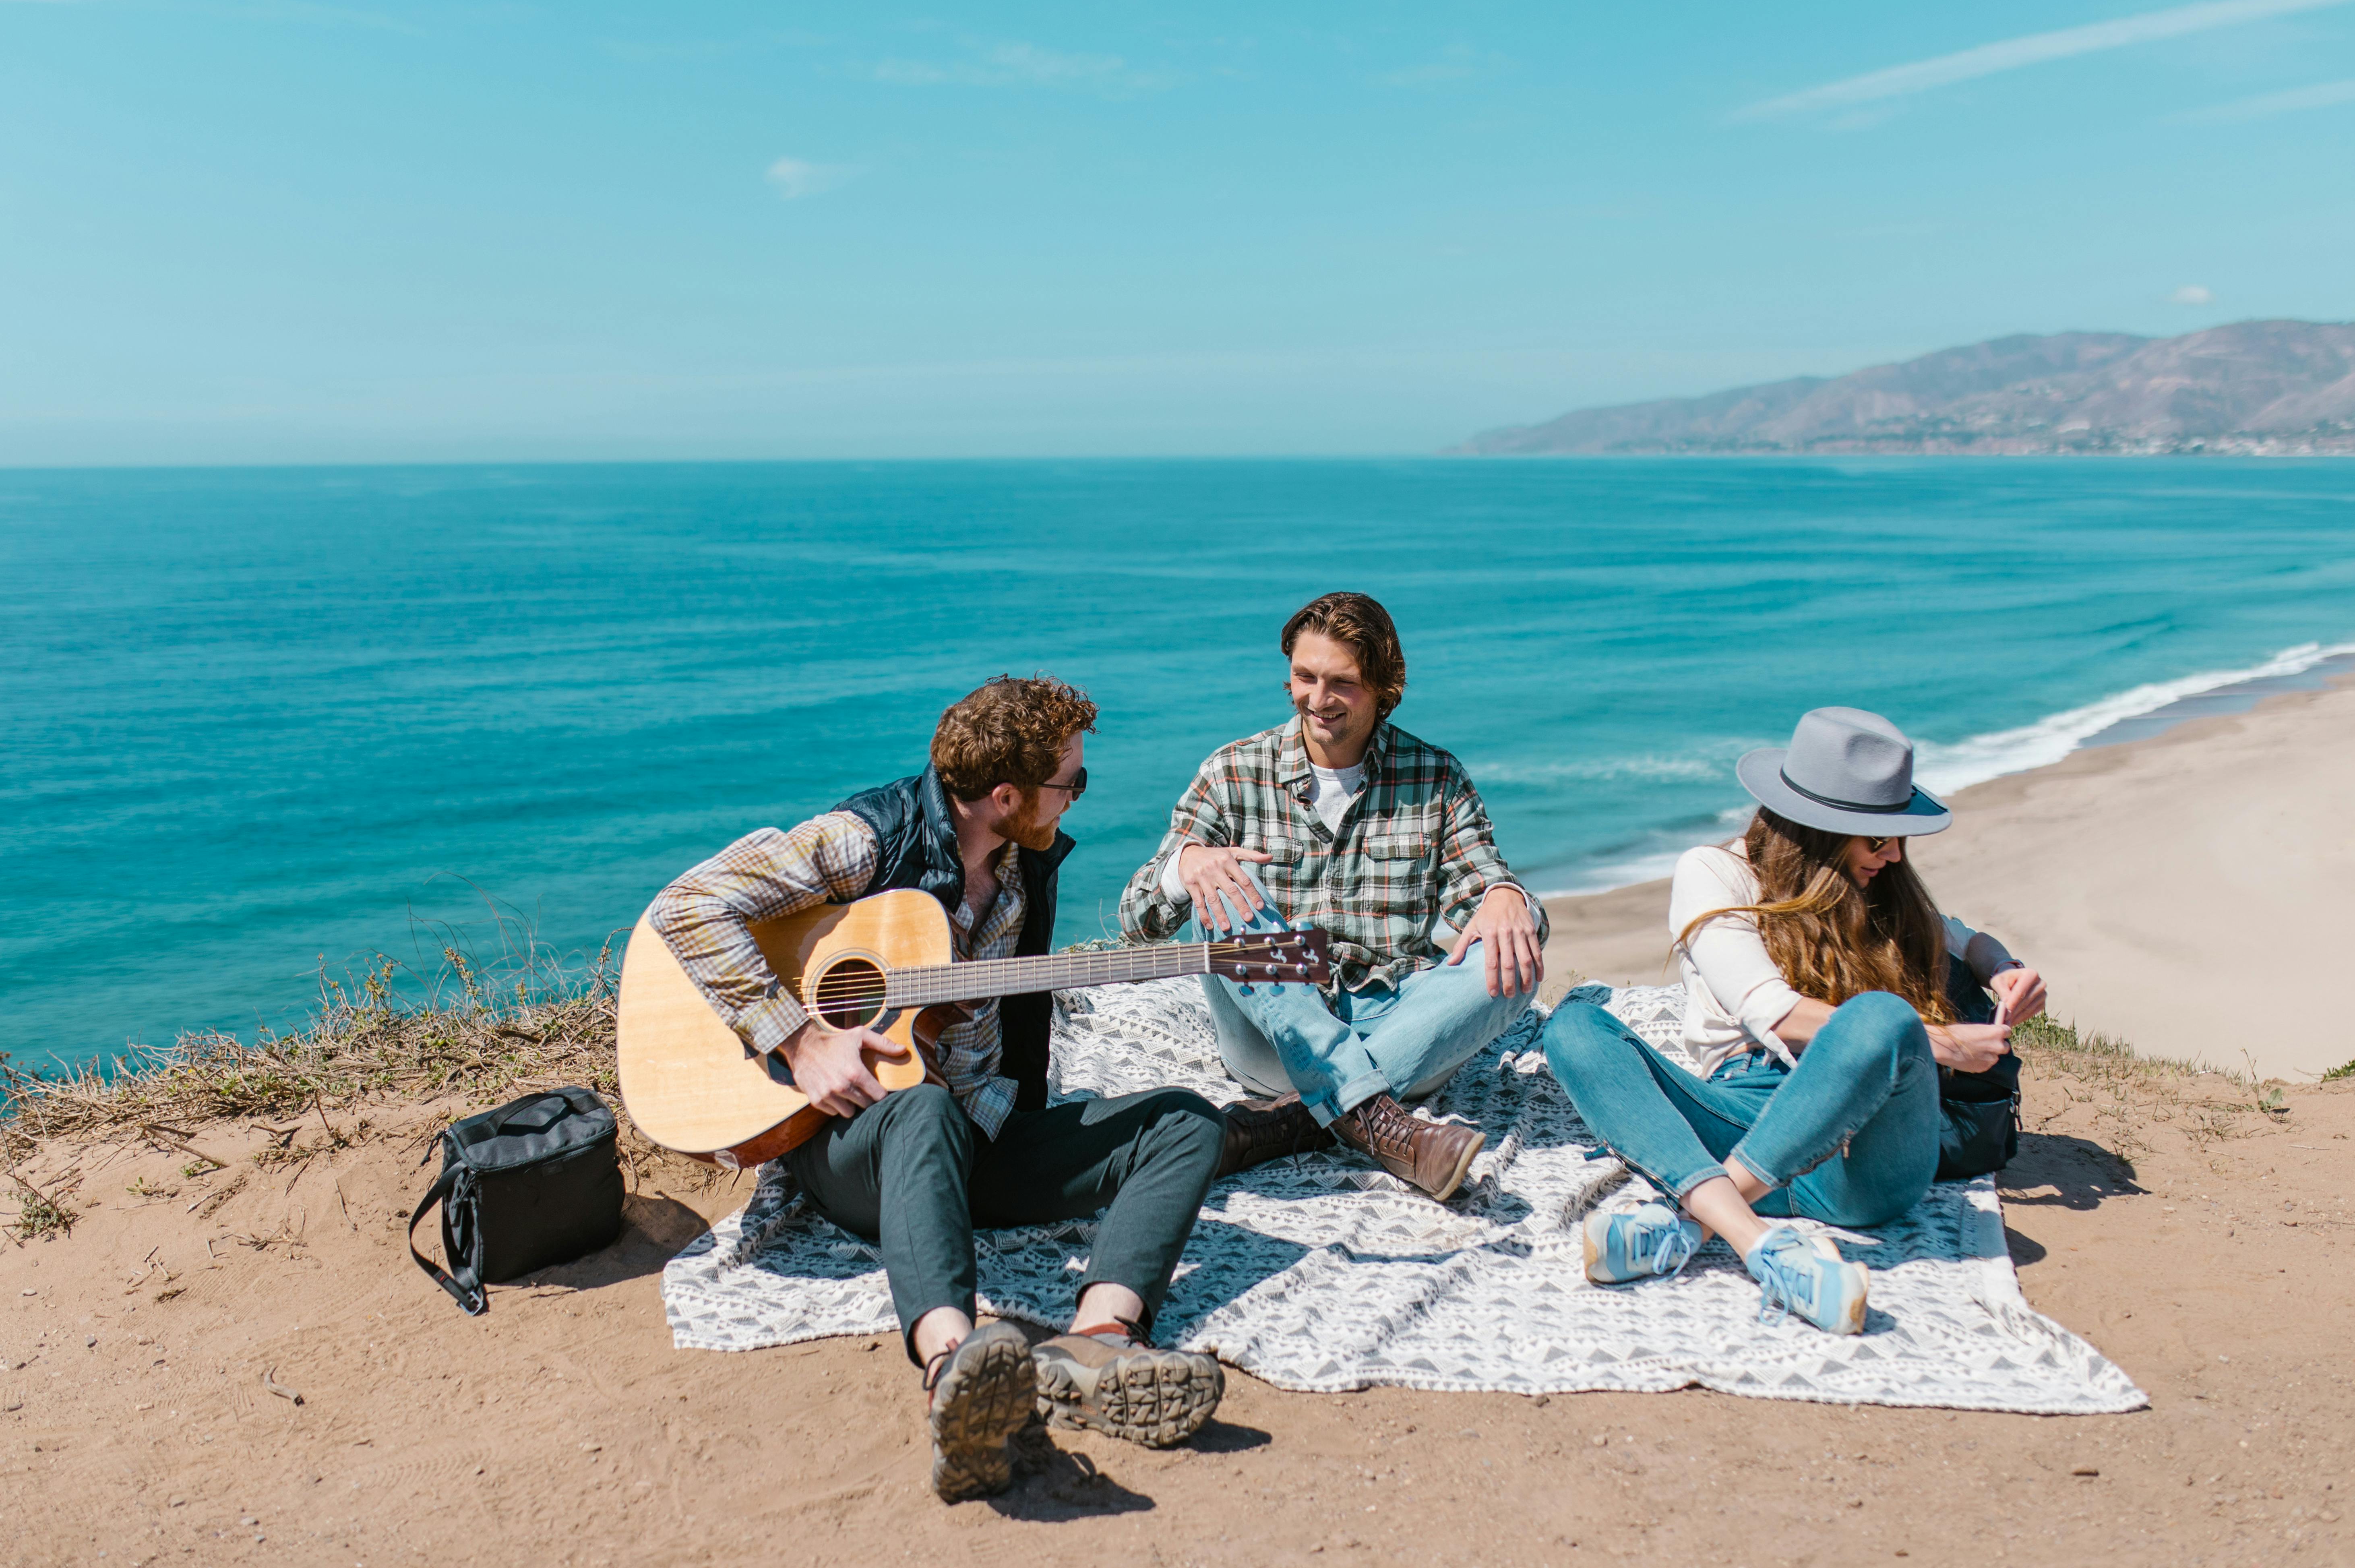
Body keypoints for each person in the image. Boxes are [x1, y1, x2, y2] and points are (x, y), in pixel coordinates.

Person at [646, 676, 1229, 1502]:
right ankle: (955, 1365)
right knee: (917, 1106)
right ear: (1004, 795)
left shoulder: (1022, 870)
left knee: (1183, 1121)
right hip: (855, 1151)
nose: (1076, 799)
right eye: (1071, 783)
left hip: (978, 1134)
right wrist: (801, 1037)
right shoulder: (863, 840)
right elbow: (688, 906)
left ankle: (1097, 1339)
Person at [1539, 706, 2049, 1335]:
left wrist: (2005, 970)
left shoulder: (1878, 885)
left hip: (1860, 1156)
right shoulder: (1715, 872)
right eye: (1877, 838)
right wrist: (1942, 1043)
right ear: (1820, 830)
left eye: (1897, 837)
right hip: (1746, 1115)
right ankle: (1762, 1246)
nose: (1893, 855)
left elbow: (1965, 939)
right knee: (1573, 1029)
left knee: (1884, 1020)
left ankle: (1695, 1222)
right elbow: (1772, 1013)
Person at [1120, 592, 1548, 1200]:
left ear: (1383, 686)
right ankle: (1371, 1111)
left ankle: (1296, 1122)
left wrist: (1507, 897)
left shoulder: (1435, 777)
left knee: (1515, 959)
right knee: (1225, 888)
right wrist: (1185, 866)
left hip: (1397, 1018)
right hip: (1273, 1039)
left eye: (1341, 683)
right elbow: (1137, 919)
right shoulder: (1232, 771)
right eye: (1305, 677)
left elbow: (1483, 894)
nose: (1317, 700)